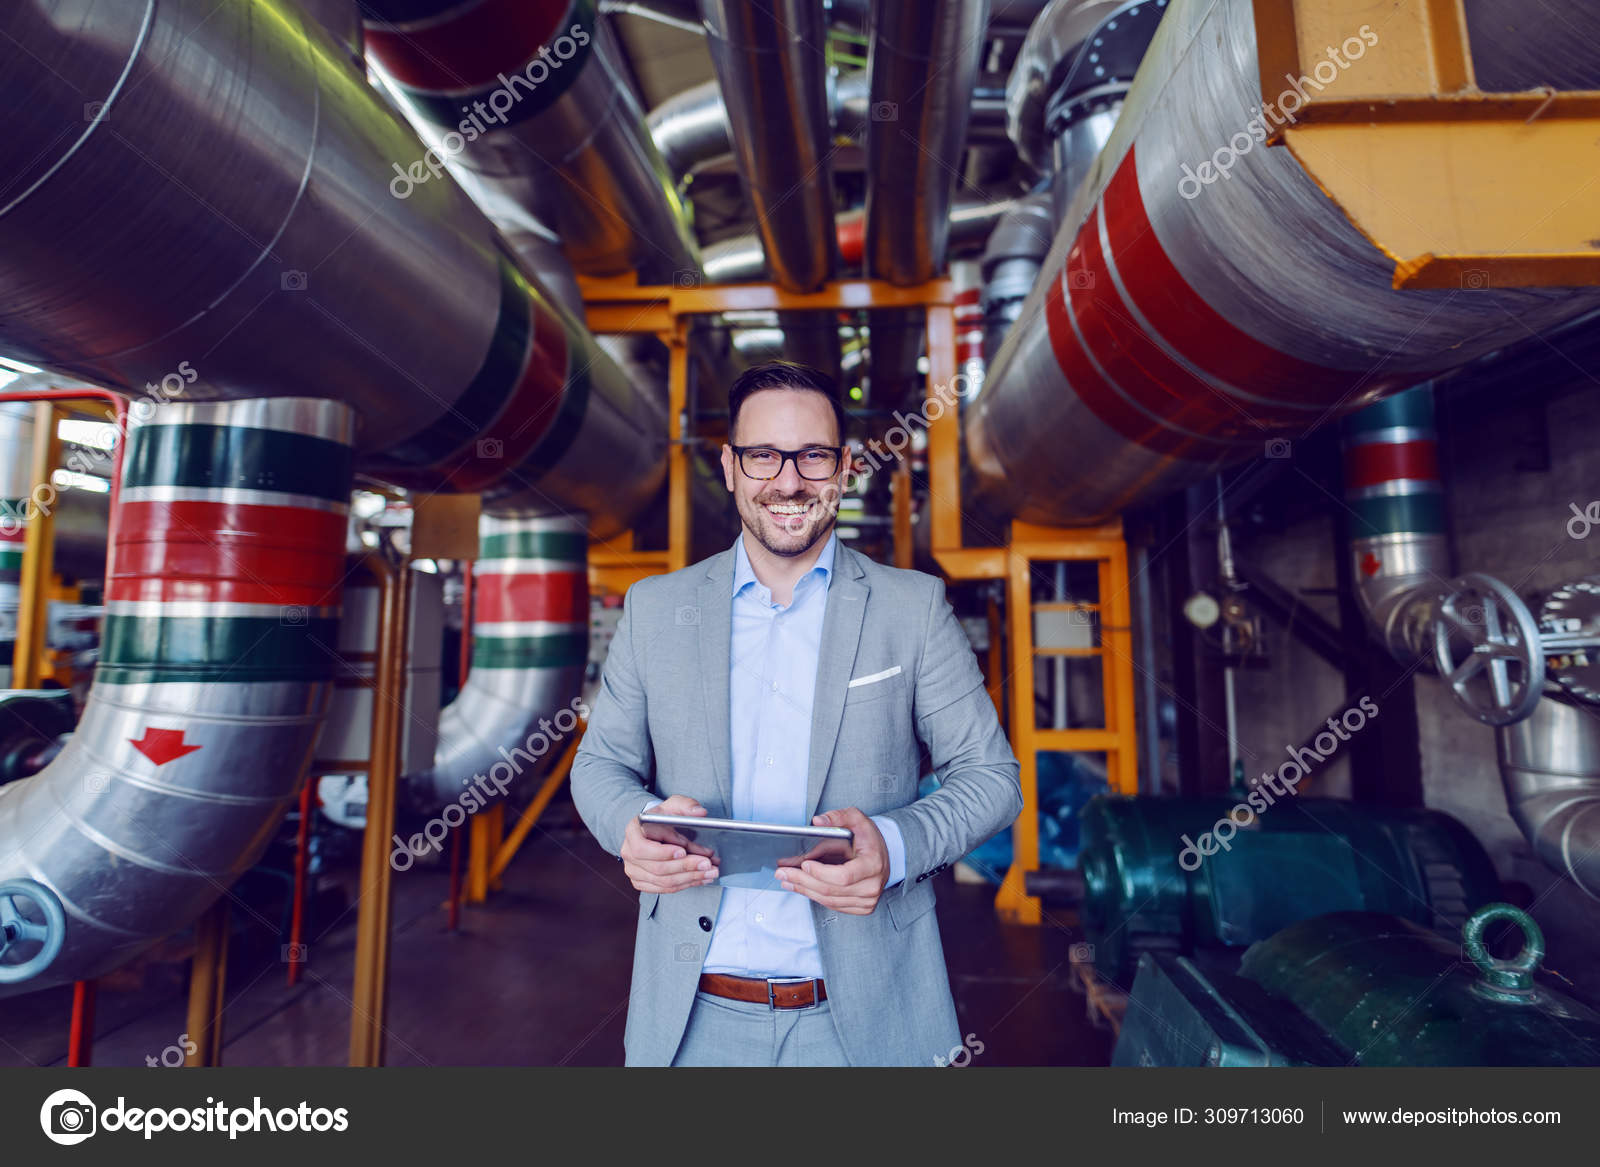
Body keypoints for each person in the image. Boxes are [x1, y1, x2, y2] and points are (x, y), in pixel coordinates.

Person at [570, 360, 1022, 1067]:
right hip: (693, 1019)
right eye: (762, 456)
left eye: (812, 455)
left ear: (843, 468)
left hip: (866, 1020)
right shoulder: (657, 609)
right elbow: (600, 765)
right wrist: (631, 826)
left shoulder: (912, 608)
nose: (788, 481)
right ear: (729, 465)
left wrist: (893, 846)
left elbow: (992, 776)